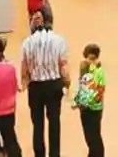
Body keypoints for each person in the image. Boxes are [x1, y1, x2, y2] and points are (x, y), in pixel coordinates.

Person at [21, 11, 69, 157]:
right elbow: (64, 66)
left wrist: (24, 84)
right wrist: (67, 83)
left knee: (38, 124)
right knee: (54, 122)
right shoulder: (59, 40)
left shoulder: (27, 42)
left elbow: (24, 70)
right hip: (54, 85)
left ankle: (39, 154)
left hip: (36, 86)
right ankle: (54, 154)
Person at [72, 43, 106, 157]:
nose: (89, 61)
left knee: (94, 137)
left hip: (93, 109)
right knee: (89, 137)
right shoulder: (86, 69)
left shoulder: (98, 72)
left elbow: (99, 91)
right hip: (87, 108)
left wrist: (85, 102)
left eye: (92, 58)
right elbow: (82, 86)